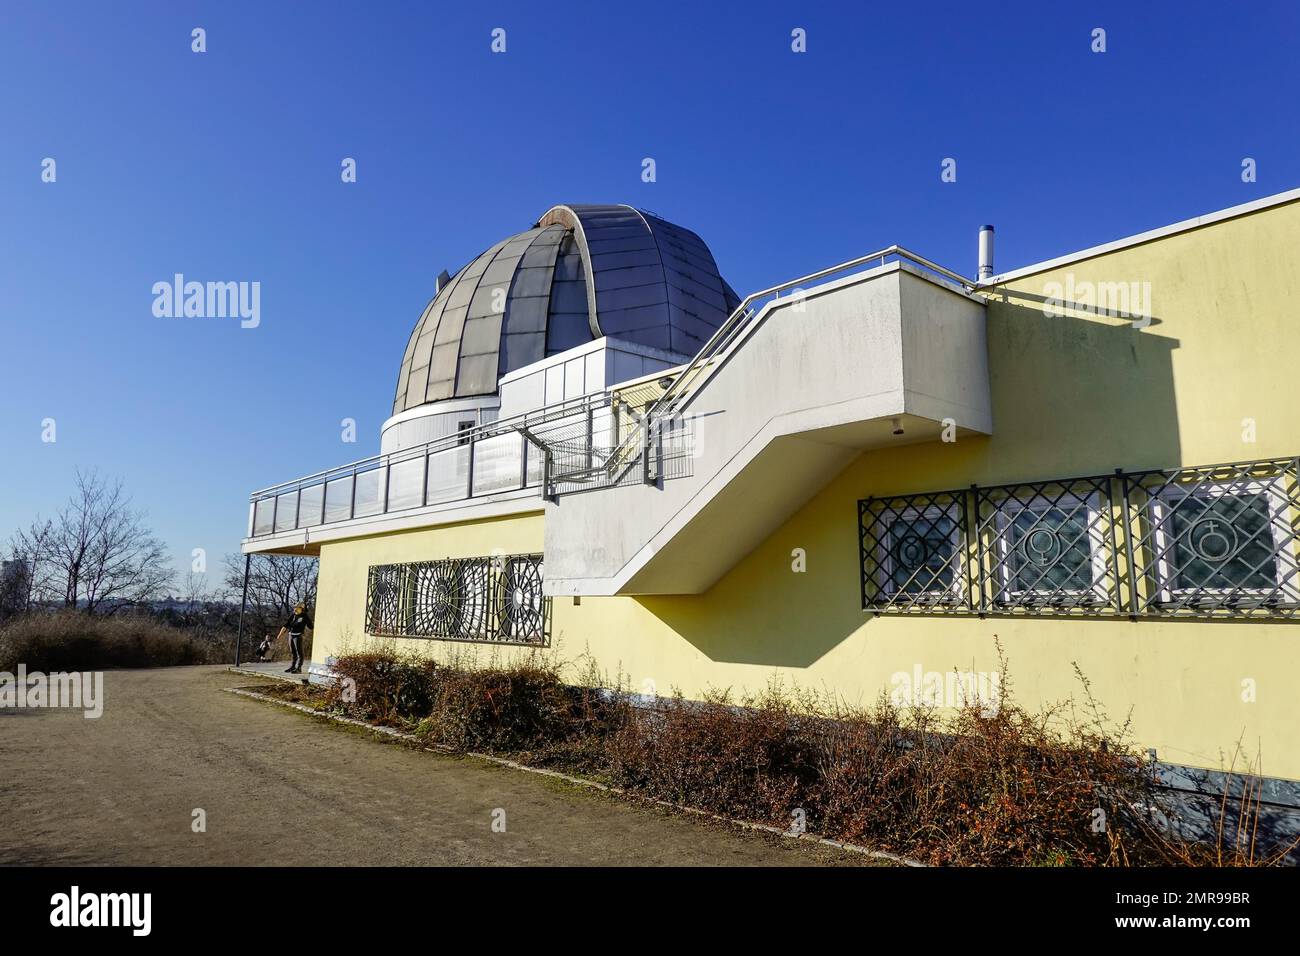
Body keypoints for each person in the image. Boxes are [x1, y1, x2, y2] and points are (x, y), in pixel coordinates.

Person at [277, 602, 313, 674]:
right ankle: (293, 666)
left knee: (299, 652)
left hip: (298, 635)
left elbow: (311, 627)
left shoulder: (304, 616)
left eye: (297, 607)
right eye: (294, 607)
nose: (295, 609)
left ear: (301, 609)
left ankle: (299, 668)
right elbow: (286, 625)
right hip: (291, 635)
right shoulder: (293, 615)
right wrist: (280, 634)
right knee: (293, 652)